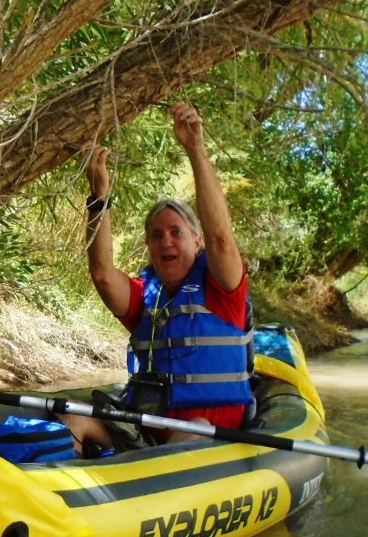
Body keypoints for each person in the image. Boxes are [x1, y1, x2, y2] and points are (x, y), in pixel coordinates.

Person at [61, 102, 254, 455]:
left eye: (176, 232)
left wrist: (196, 149)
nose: (165, 241)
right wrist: (99, 196)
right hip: (146, 438)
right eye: (156, 235)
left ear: (197, 242)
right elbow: (102, 274)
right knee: (72, 418)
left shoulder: (223, 290)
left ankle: (135, 477)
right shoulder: (144, 296)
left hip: (206, 441)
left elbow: (221, 238)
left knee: (197, 427)